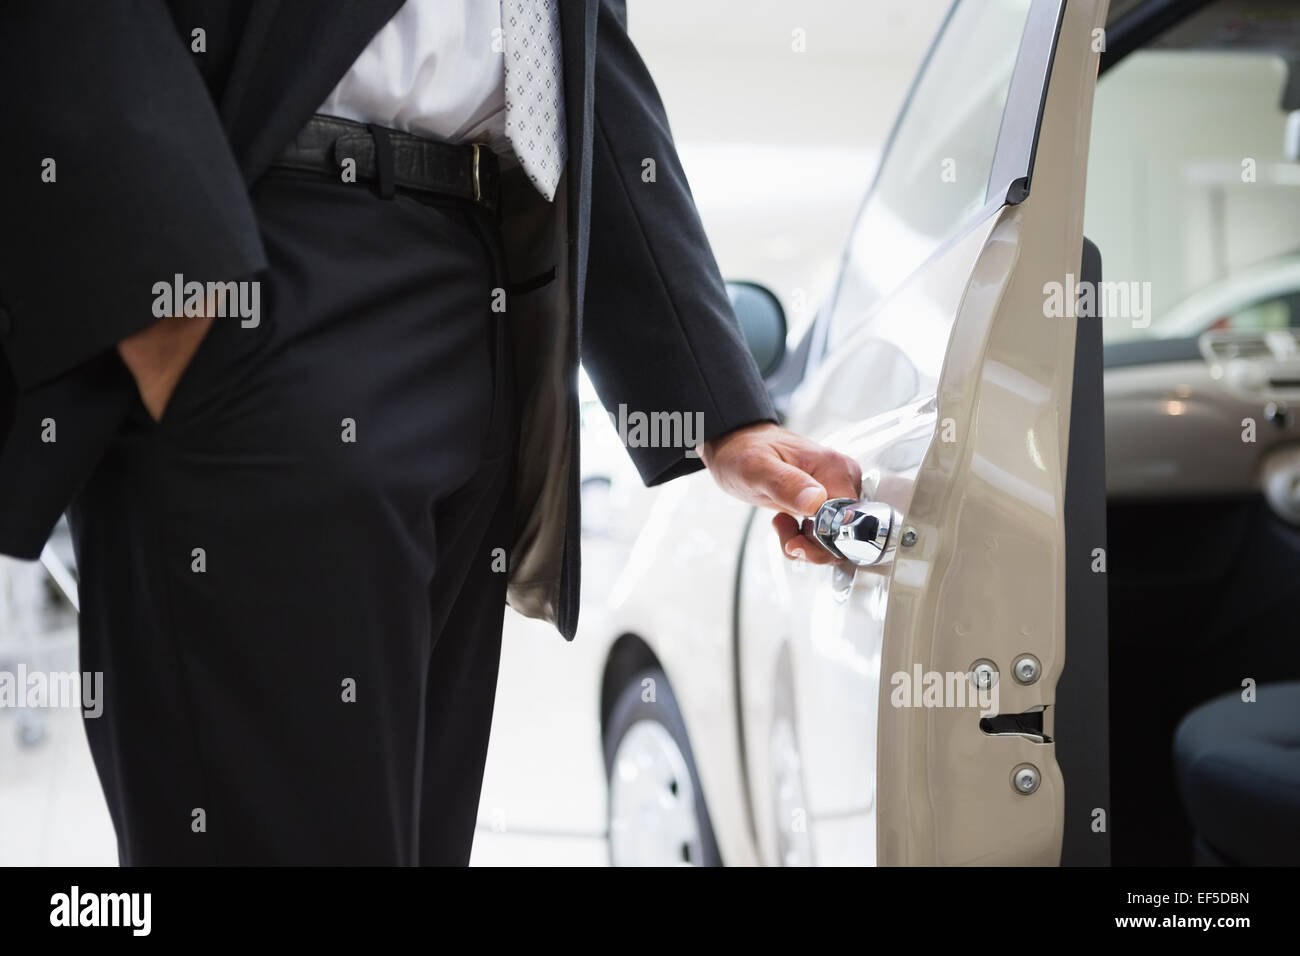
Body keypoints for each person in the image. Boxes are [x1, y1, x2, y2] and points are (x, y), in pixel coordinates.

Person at [0, 0, 861, 864]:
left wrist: (715, 408)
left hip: (482, 294)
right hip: (263, 266)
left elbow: (582, 60)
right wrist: (171, 291)